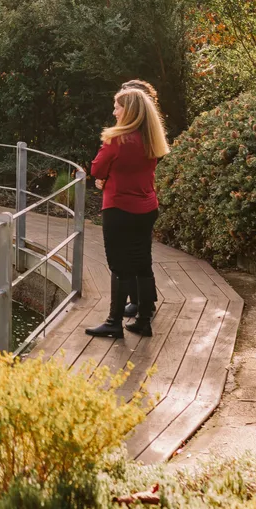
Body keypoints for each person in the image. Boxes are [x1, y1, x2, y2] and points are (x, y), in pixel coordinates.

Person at [85, 86, 170, 338]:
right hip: (146, 208)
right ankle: (144, 321)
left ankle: (113, 322)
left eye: (117, 107)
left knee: (119, 266)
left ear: (128, 110)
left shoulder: (117, 139)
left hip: (119, 208)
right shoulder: (151, 138)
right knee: (142, 264)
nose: (114, 111)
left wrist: (105, 178)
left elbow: (97, 169)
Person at [119, 79, 162, 318]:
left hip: (135, 200)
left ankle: (140, 301)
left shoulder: (140, 133)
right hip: (144, 197)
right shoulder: (148, 130)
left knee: (134, 252)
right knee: (140, 252)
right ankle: (144, 300)